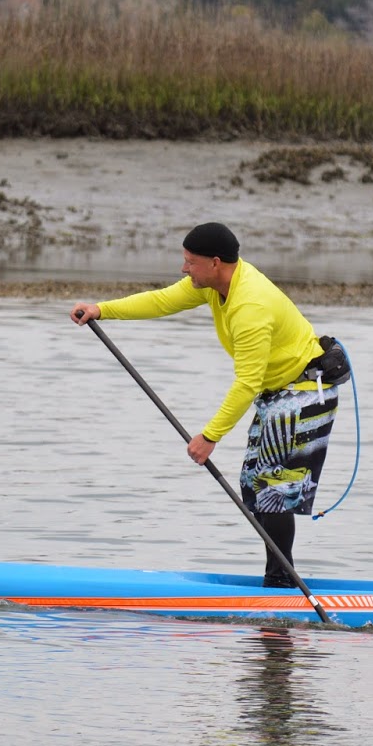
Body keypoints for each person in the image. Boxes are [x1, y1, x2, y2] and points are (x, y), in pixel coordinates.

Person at [70, 222, 343, 587]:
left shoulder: (250, 305)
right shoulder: (216, 284)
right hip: (279, 391)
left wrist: (210, 436)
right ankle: (279, 583)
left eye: (190, 262)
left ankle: (280, 585)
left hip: (305, 391)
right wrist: (101, 310)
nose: (184, 268)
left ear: (216, 262)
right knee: (255, 484)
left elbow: (247, 382)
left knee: (273, 490)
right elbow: (162, 300)